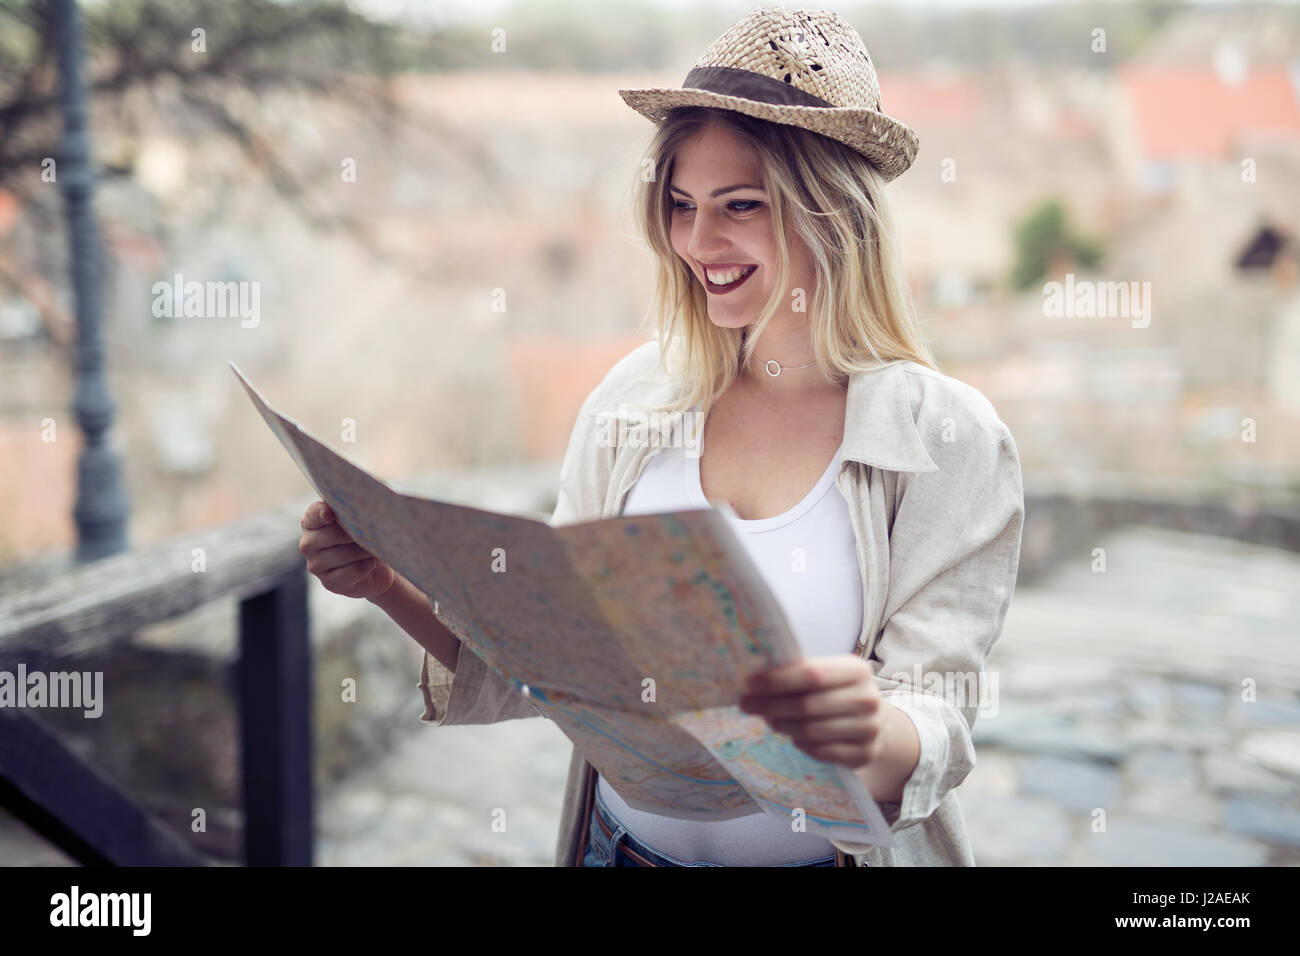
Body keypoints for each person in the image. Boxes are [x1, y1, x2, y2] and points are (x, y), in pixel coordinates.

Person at [298, 6, 1024, 867]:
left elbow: (939, 715)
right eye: (680, 205)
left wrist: (875, 731)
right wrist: (388, 585)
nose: (697, 242)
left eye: (739, 206)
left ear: (832, 212)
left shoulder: (950, 440)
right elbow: (546, 659)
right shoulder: (631, 404)